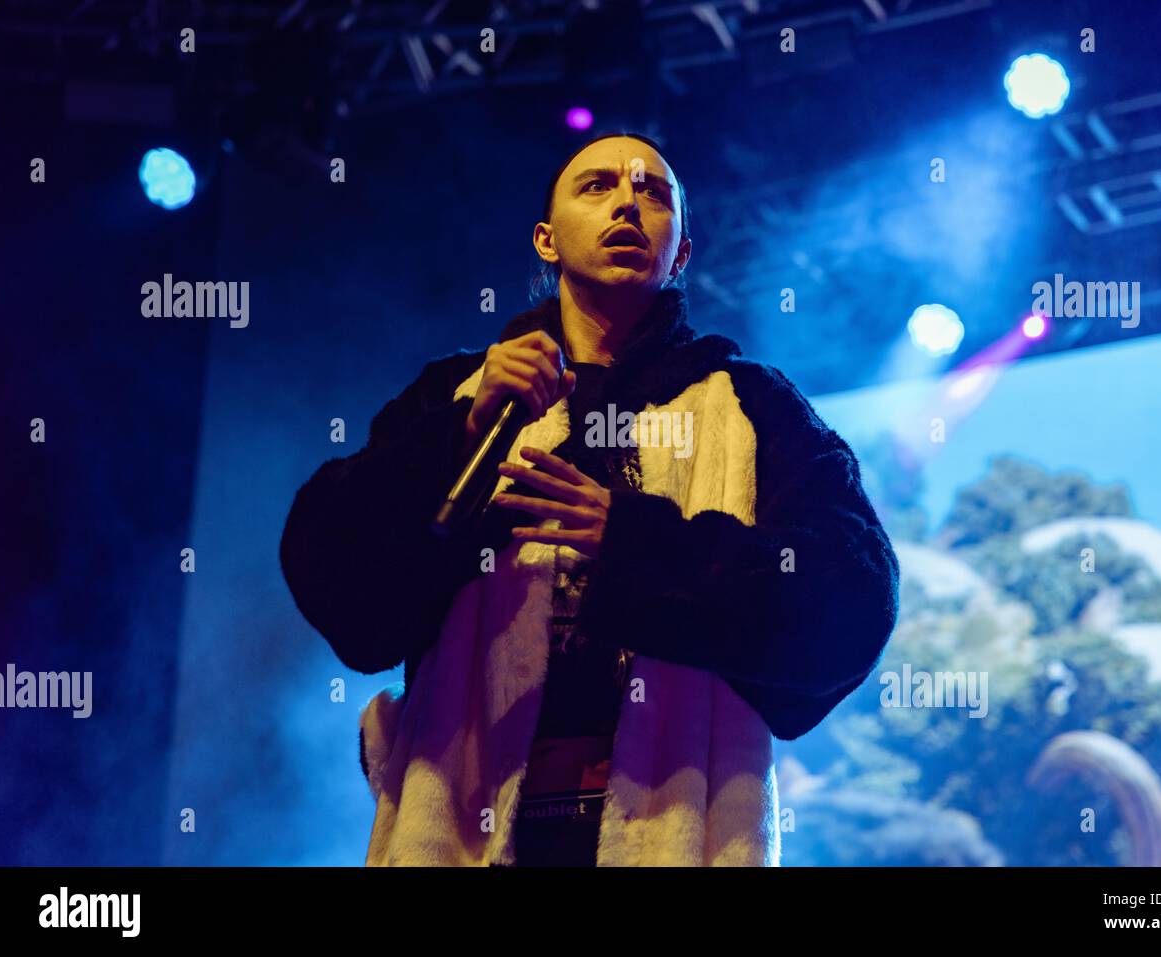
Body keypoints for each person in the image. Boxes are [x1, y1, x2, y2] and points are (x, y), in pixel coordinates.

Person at [278, 131, 900, 866]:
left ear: (684, 252)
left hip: (674, 828)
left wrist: (635, 542)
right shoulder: (461, 398)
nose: (629, 206)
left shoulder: (751, 404)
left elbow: (854, 598)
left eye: (654, 193)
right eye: (598, 186)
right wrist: (454, 434)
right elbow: (333, 577)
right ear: (546, 238)